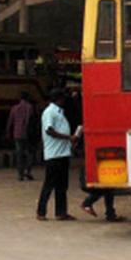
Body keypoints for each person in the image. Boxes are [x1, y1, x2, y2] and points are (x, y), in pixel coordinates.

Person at [36, 88, 77, 221]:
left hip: (63, 153)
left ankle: (61, 212)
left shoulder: (58, 112)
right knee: (49, 184)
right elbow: (49, 130)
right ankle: (41, 211)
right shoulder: (50, 112)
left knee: (61, 185)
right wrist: (68, 137)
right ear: (58, 99)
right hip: (54, 154)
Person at [5, 91, 36, 181]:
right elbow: (30, 120)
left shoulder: (14, 108)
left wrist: (8, 132)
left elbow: (10, 121)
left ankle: (20, 174)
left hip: (17, 133)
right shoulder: (30, 107)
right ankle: (28, 171)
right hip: (27, 134)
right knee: (30, 153)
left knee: (19, 154)